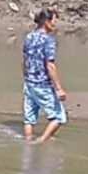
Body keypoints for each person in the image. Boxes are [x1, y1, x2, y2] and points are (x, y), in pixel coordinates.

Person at [22, 9, 67, 142]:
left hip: (29, 83)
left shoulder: (29, 37)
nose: (55, 24)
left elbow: (24, 61)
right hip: (43, 85)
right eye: (54, 21)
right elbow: (50, 65)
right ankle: (41, 141)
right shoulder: (48, 41)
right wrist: (59, 89)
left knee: (29, 119)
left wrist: (26, 77)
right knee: (59, 117)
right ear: (46, 22)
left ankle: (28, 142)